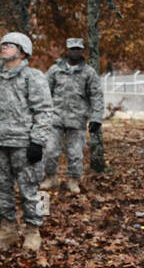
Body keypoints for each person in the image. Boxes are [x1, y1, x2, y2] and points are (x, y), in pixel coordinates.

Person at [0, 32, 53, 253]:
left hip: (25, 144)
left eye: (9, 45)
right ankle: (8, 229)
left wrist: (38, 141)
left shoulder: (33, 77)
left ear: (22, 51)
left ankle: (34, 230)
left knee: (32, 190)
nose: (3, 47)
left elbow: (44, 110)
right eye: (2, 44)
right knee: (0, 189)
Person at [42, 38, 104, 194]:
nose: (75, 52)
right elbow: (43, 93)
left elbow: (96, 95)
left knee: (75, 153)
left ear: (82, 51)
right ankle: (50, 177)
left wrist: (96, 118)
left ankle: (73, 180)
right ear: (67, 50)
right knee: (50, 151)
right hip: (54, 118)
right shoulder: (55, 70)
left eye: (78, 49)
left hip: (77, 119)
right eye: (72, 49)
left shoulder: (89, 72)